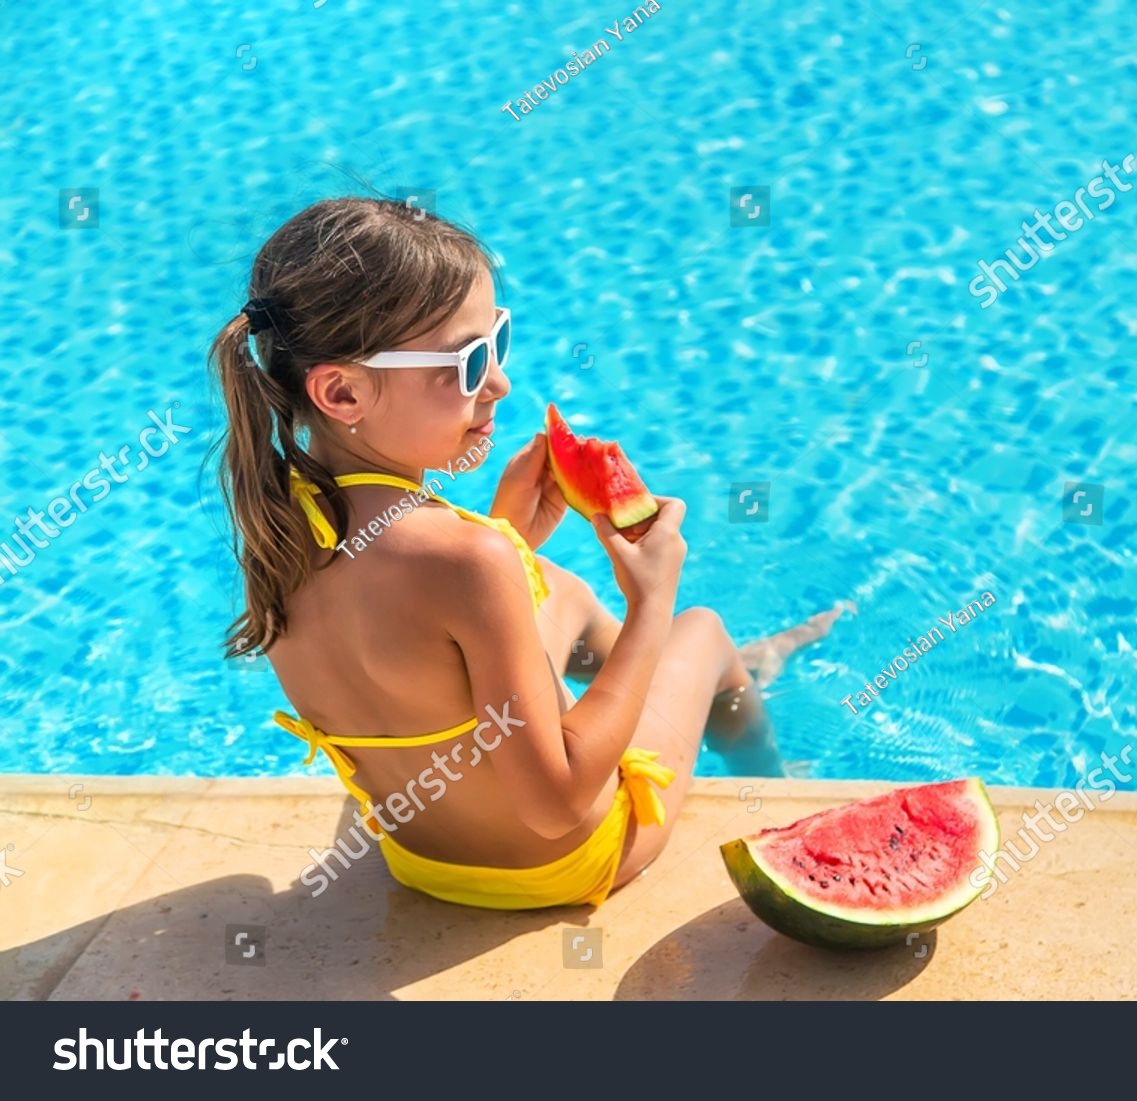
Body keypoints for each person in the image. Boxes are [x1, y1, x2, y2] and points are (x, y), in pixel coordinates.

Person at [208, 197, 842, 910]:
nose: (501, 382)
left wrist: (508, 537)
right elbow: (557, 801)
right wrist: (650, 603)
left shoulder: (278, 516)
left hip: (419, 862)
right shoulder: (470, 560)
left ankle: (670, 680)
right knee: (700, 630)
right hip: (566, 861)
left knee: (552, 583)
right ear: (343, 390)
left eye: (498, 341)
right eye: (470, 360)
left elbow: (411, 628)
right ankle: (775, 776)